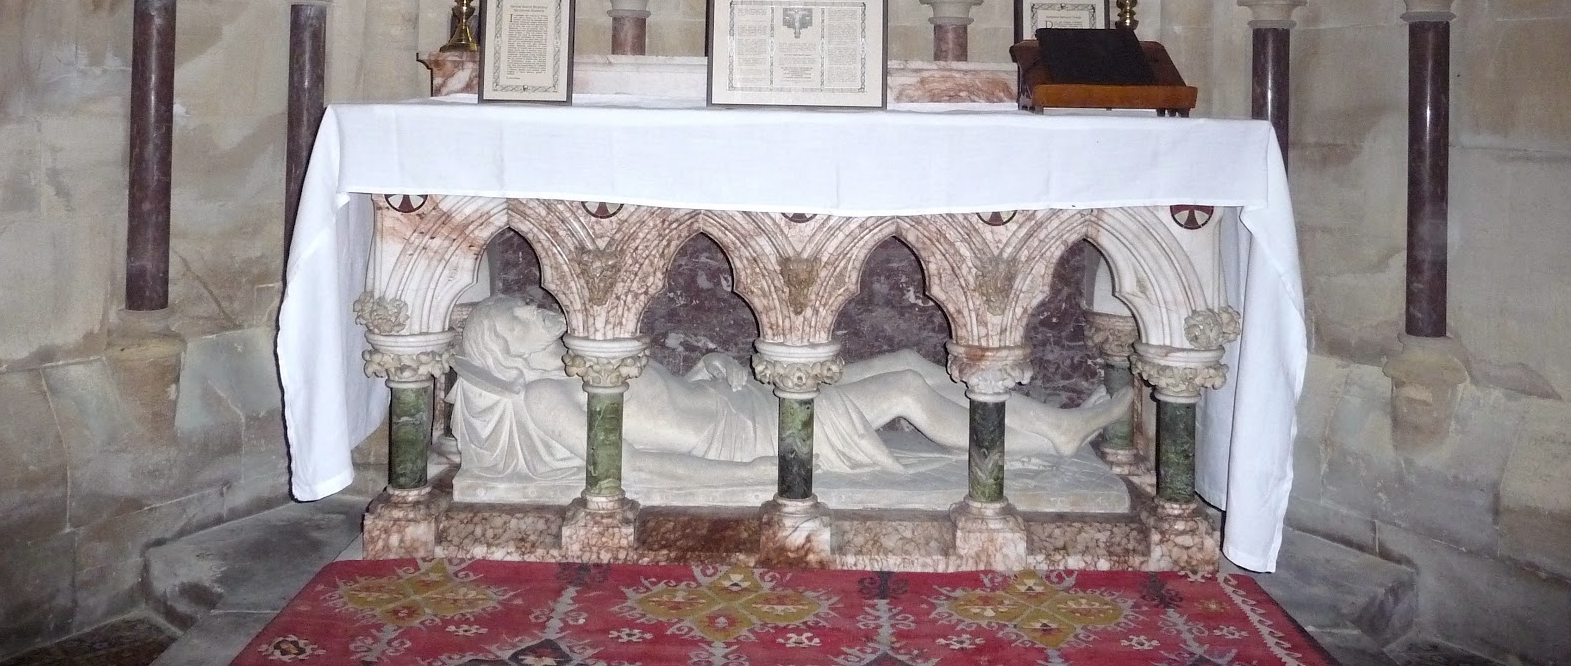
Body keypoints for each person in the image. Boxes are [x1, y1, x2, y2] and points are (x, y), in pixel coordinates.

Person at [451, 296, 1130, 488]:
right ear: (503, 346)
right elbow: (631, 464)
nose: (541, 311)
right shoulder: (548, 398)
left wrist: (710, 370)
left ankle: (1052, 426)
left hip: (742, 403)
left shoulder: (586, 361)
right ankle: (1038, 444)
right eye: (521, 316)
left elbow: (659, 405)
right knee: (906, 391)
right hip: (750, 436)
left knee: (903, 359)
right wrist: (753, 470)